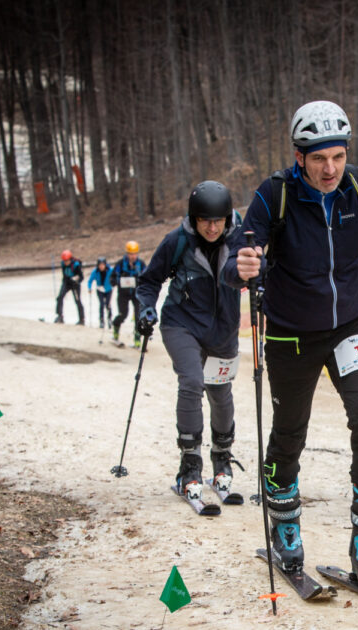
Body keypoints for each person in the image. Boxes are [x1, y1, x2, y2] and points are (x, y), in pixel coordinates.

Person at [228, 100, 358, 592]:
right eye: (319, 159)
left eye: (338, 157)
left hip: (351, 324)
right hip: (290, 331)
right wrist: (240, 268)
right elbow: (241, 258)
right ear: (299, 156)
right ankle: (285, 527)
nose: (330, 169)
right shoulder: (274, 195)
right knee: (289, 433)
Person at [136, 181, 246, 504]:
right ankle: (190, 464)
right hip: (181, 324)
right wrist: (145, 309)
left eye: (218, 221)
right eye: (204, 221)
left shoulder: (241, 240)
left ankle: (222, 458)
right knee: (192, 381)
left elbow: (264, 271)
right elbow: (149, 281)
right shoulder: (178, 241)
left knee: (220, 393)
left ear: (227, 218)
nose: (211, 228)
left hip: (223, 330)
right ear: (193, 218)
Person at [111, 240, 146, 347]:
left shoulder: (141, 264)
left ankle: (137, 339)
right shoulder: (120, 264)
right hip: (123, 294)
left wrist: (139, 281)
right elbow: (112, 278)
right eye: (131, 254)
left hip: (136, 293)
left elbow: (147, 277)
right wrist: (119, 281)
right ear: (127, 253)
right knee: (123, 314)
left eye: (135, 254)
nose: (133, 256)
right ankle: (115, 331)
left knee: (138, 316)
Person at [54, 249, 85, 325]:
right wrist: (64, 285)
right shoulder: (63, 264)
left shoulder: (76, 265)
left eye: (67, 261)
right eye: (64, 261)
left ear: (70, 259)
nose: (65, 262)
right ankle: (60, 316)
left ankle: (81, 319)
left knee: (77, 300)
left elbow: (81, 277)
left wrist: (76, 279)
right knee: (60, 297)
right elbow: (64, 275)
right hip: (67, 282)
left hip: (75, 284)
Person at [88, 256, 114, 329]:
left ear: (105, 265)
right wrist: (89, 288)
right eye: (100, 265)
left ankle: (109, 319)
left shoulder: (110, 270)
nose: (101, 266)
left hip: (108, 289)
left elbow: (115, 276)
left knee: (108, 304)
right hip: (100, 290)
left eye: (103, 265)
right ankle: (101, 320)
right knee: (102, 304)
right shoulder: (95, 271)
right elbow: (90, 281)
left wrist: (114, 283)